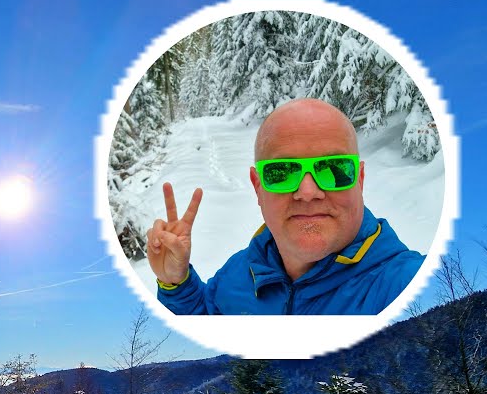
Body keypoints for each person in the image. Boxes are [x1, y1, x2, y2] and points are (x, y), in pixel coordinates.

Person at [146, 98, 423, 315]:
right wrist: (177, 284)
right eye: (282, 172)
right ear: (258, 186)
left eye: (334, 169)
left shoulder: (407, 286)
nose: (308, 192)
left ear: (359, 180)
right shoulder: (239, 273)